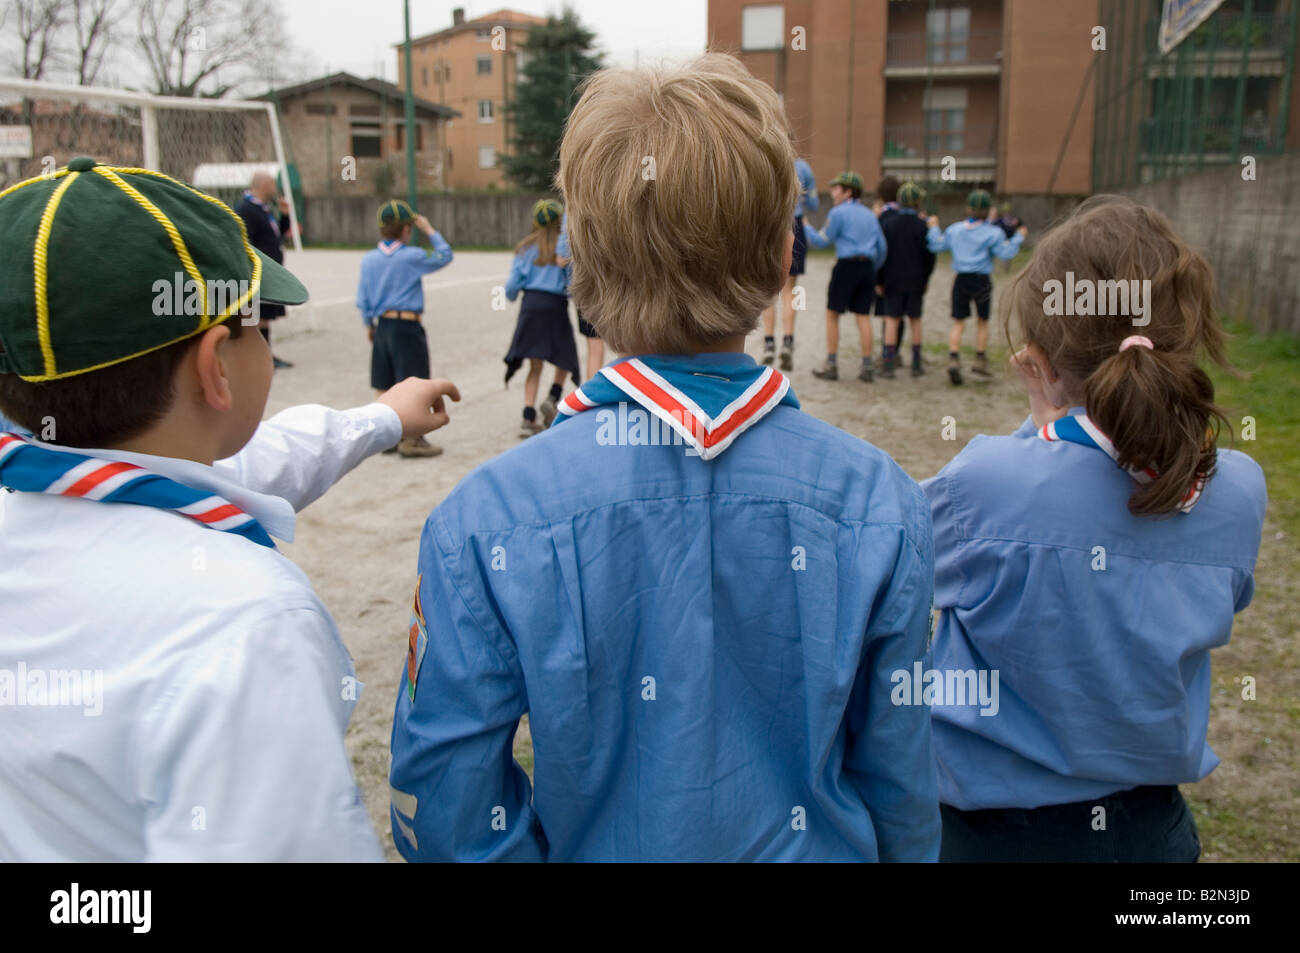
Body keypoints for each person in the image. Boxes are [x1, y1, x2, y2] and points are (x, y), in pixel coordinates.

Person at [388, 54, 939, 863]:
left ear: (580, 264)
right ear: (785, 258)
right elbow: (901, 787)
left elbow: (443, 813)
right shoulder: (883, 504)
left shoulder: (484, 518)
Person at [0, 157, 462, 861]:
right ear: (216, 365)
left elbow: (236, 468)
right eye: (257, 326)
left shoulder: (45, 483)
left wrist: (378, 419)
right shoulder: (243, 625)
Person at [923, 196, 1265, 862]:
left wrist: (1041, 420)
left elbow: (890, 565)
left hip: (990, 837)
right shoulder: (1240, 486)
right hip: (1150, 831)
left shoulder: (988, 482)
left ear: (1042, 360)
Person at [356, 200, 454, 457]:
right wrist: (430, 229)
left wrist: (369, 323)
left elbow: (363, 298)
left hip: (382, 324)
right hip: (407, 323)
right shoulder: (410, 256)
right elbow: (445, 255)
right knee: (414, 381)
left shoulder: (369, 260)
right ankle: (412, 438)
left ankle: (385, 437)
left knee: (383, 380)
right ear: (407, 230)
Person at [927, 189, 1026, 385]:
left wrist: (934, 227)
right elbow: (1005, 254)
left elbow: (937, 246)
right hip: (982, 280)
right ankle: (980, 359)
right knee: (982, 320)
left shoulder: (955, 230)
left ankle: (953, 357)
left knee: (958, 320)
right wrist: (1019, 237)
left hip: (961, 279)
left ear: (968, 208)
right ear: (988, 210)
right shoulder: (993, 233)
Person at [503, 199, 580, 436]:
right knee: (565, 357)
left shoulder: (525, 249)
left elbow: (511, 288)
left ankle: (528, 415)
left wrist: (514, 294)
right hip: (555, 305)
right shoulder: (563, 249)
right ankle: (554, 394)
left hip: (531, 306)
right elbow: (572, 282)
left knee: (534, 365)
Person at [803, 171, 888, 382]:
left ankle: (831, 364)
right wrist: (872, 267)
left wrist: (805, 226)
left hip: (846, 267)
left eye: (836, 188)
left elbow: (822, 241)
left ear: (848, 192)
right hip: (867, 269)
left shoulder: (838, 213)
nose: (832, 193)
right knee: (863, 316)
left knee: (832, 314)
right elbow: (882, 248)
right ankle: (867, 367)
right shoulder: (871, 215)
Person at [760, 156, 817, 371]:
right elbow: (814, 203)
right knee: (790, 290)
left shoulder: (767, 160)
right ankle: (788, 342)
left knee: (768, 291)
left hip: (772, 226)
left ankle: (768, 344)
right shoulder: (803, 167)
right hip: (795, 224)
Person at [234, 170, 294, 369]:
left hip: (268, 272)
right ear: (264, 185)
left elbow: (278, 233)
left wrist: (285, 215)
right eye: (273, 184)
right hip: (256, 273)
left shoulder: (263, 208)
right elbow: (244, 241)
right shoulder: (246, 208)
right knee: (255, 316)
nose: (275, 189)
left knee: (265, 315)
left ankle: (266, 355)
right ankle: (256, 358)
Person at [875, 181, 935, 379]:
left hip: (893, 279)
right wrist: (926, 277)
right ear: (918, 203)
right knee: (915, 320)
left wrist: (879, 279)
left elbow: (882, 254)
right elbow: (929, 255)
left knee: (892, 320)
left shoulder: (889, 224)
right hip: (916, 280)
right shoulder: (923, 226)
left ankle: (889, 363)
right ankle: (916, 363)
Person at [556, 213, 604, 381]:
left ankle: (593, 396)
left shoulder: (577, 194)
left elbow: (563, 252)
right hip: (614, 279)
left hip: (586, 283)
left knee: (594, 343)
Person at [871, 175, 901, 357]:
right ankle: (895, 351)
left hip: (885, 274)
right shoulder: (902, 216)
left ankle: (887, 352)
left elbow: (878, 250)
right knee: (898, 316)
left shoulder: (880, 220)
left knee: (887, 316)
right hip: (903, 275)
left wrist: (877, 279)